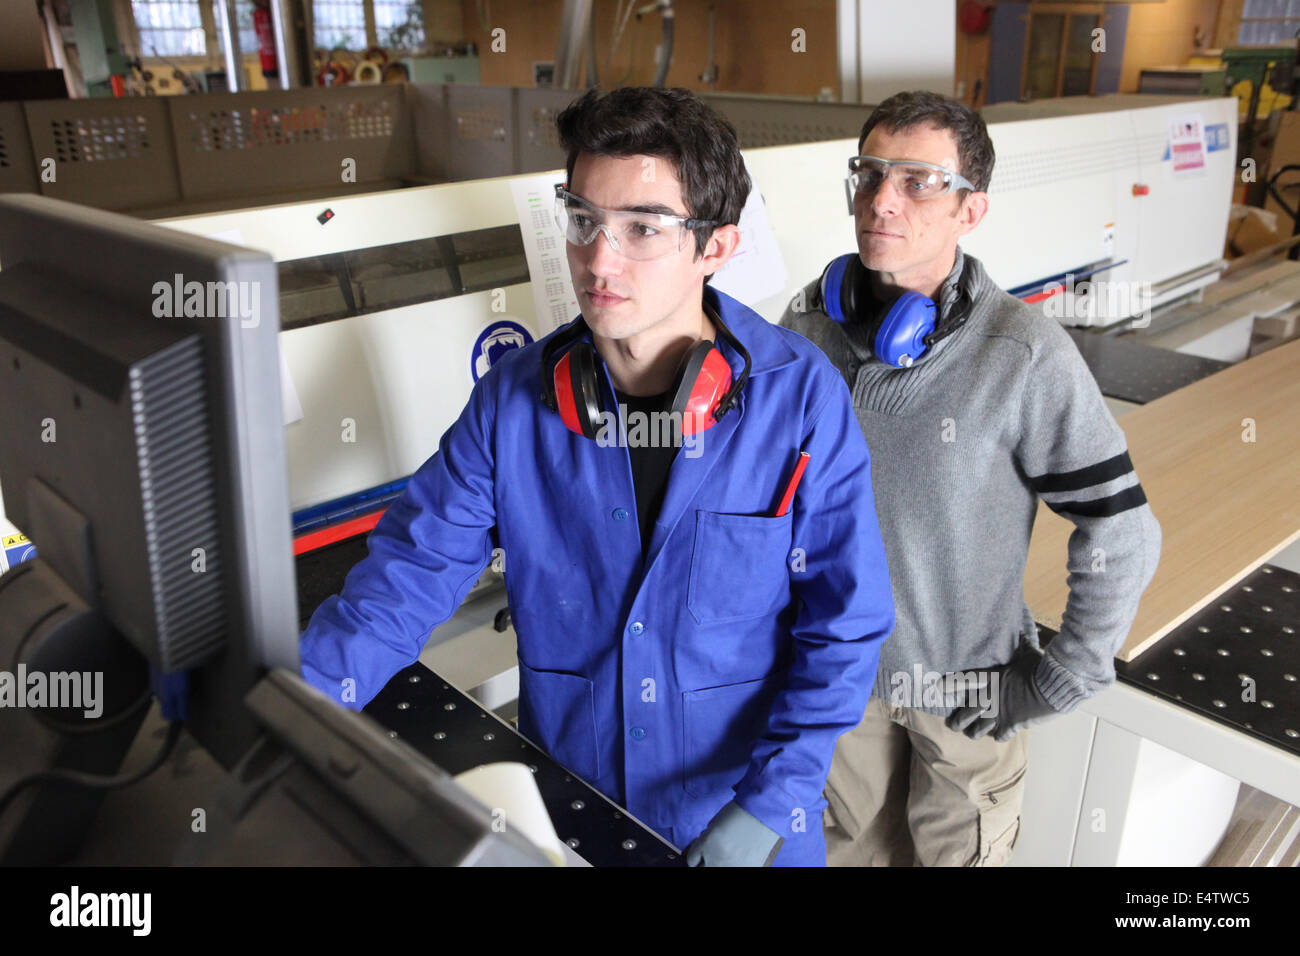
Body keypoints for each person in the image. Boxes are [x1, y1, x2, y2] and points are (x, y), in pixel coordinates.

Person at [298, 87, 895, 867]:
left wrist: (772, 802)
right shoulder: (512, 404)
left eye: (642, 228)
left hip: (747, 824)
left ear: (716, 248)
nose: (598, 260)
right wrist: (292, 710)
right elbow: (400, 586)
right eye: (584, 220)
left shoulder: (800, 399)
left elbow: (844, 626)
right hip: (579, 818)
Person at [781, 90, 1161, 867]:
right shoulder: (808, 328)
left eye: (919, 180)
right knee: (849, 854)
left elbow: (1122, 529)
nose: (882, 200)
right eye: (870, 173)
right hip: (839, 679)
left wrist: (1062, 678)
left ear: (971, 211)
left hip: (968, 693)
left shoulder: (1021, 355)